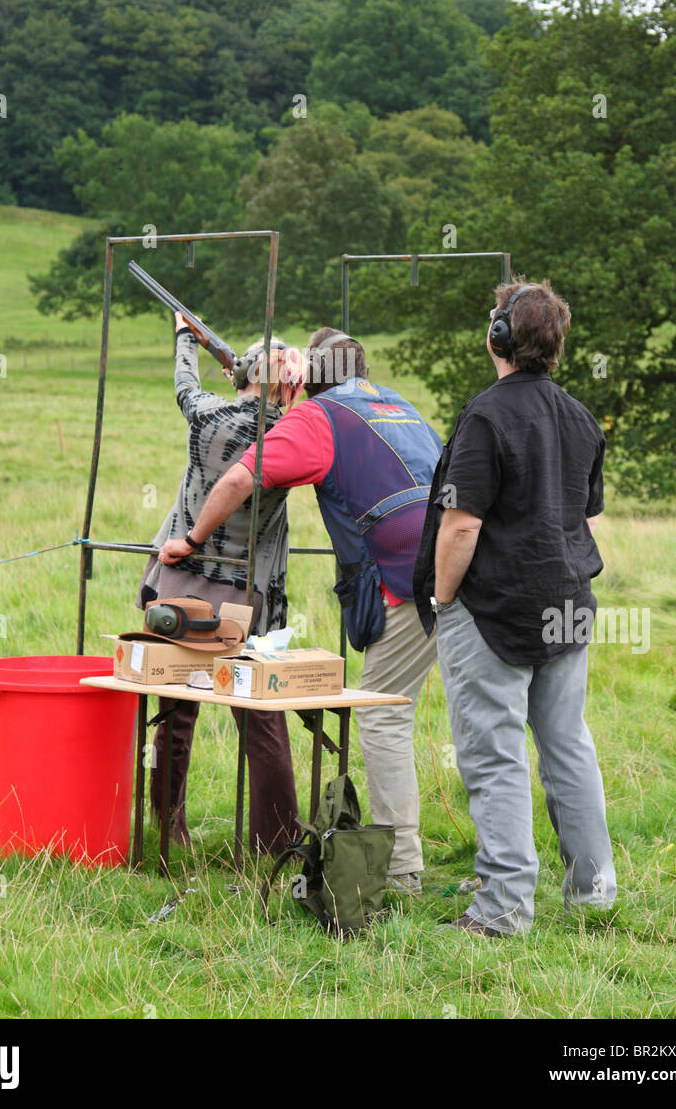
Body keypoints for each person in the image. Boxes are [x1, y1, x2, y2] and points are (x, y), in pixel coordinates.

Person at [159, 328, 443, 893]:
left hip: (402, 578)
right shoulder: (399, 405)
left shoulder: (311, 418)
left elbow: (240, 471)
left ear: (311, 376)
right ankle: (280, 844)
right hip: (455, 568)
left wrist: (190, 541)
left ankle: (402, 871)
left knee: (383, 715)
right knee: (485, 726)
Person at [414, 279, 616, 936]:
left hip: (494, 608)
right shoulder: (581, 417)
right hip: (566, 603)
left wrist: (443, 600)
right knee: (568, 747)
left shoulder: (486, 415)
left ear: (498, 338)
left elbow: (462, 524)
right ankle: (594, 894)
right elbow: (581, 511)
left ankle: (501, 910)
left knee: (494, 755)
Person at [136, 312, 303, 854]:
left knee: (174, 711)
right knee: (261, 720)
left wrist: (187, 337)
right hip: (244, 598)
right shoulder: (291, 434)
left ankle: (168, 827)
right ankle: (275, 845)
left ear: (242, 373)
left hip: (180, 583)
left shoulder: (207, 415)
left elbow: (186, 386)